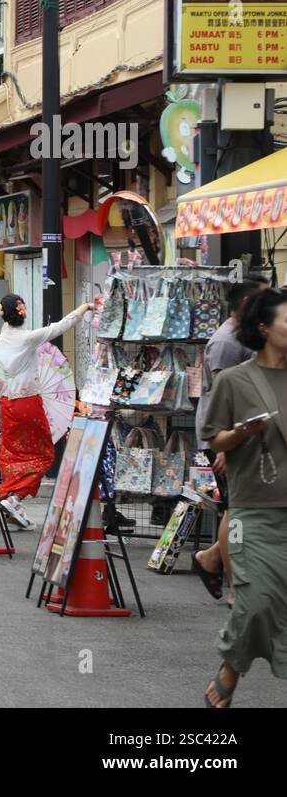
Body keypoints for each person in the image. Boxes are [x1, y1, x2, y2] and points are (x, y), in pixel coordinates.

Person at [200, 288, 287, 707]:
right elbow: (215, 436)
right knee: (254, 603)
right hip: (254, 509)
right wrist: (242, 433)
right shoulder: (235, 380)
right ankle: (232, 665)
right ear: (264, 328)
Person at [0, 294, 93, 530]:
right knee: (44, 454)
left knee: (11, 453)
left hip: (8, 404)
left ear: (2, 315)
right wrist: (82, 308)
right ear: (22, 313)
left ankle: (11, 499)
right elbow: (60, 327)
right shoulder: (28, 338)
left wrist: (5, 387)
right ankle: (15, 498)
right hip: (29, 402)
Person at [194, 277, 272, 602]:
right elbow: (225, 399)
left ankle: (211, 559)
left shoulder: (249, 337)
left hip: (248, 436)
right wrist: (227, 444)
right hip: (228, 437)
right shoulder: (226, 343)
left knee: (241, 508)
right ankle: (232, 586)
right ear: (245, 305)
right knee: (235, 509)